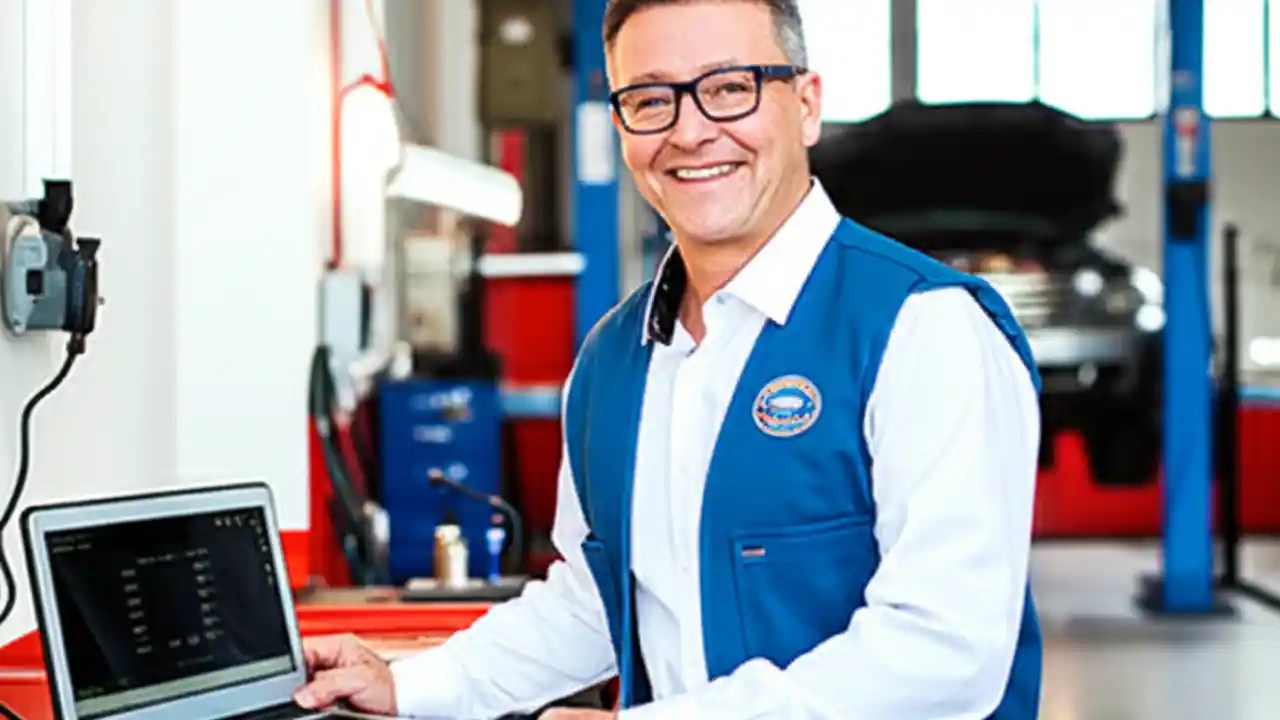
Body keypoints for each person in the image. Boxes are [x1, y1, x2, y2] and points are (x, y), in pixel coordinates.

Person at [294, 0, 1044, 717]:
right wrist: (411, 684)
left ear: (806, 104)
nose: (689, 132)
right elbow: (592, 603)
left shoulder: (925, 329)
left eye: (728, 88)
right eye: (650, 100)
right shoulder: (612, 361)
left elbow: (945, 650)